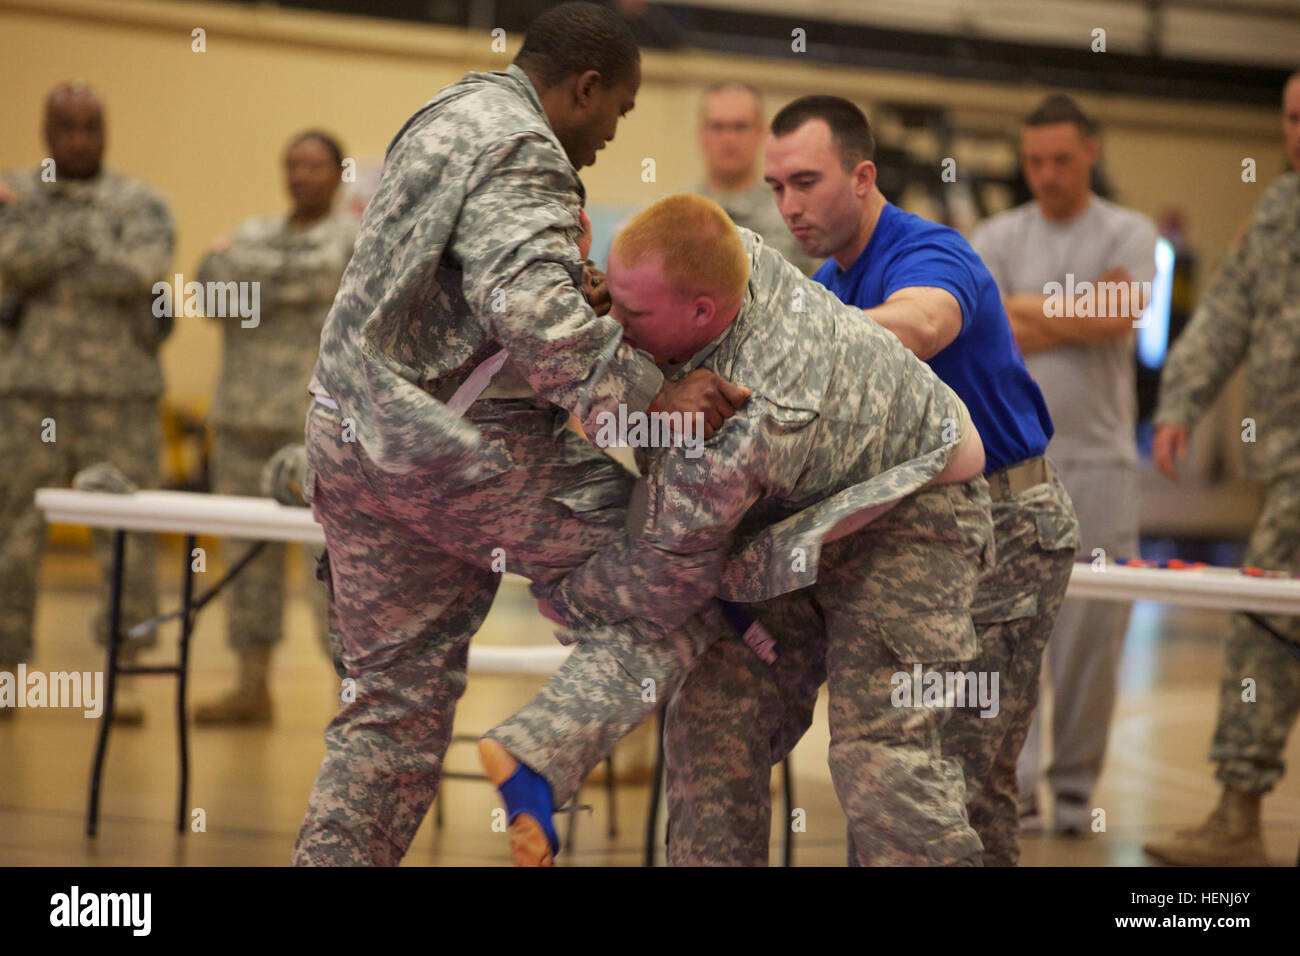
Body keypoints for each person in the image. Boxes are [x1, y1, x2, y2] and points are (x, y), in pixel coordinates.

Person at [291, 2, 745, 866]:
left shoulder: (451, 112)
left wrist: (580, 292)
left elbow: (467, 288)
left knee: (389, 710)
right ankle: (541, 749)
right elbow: (528, 313)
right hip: (456, 456)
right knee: (689, 561)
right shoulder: (527, 146)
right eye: (621, 107)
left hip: (355, 438)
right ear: (584, 87)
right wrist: (656, 395)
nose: (616, 130)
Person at [479, 192, 996, 867]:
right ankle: (541, 758)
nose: (616, 327)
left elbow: (667, 575)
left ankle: (538, 757)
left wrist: (570, 596)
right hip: (792, 519)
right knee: (711, 730)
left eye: (633, 314)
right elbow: (615, 323)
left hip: (911, 514)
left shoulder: (748, 418)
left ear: (701, 313)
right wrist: (599, 299)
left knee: (883, 759)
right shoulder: (732, 255)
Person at [658, 95, 1079, 866]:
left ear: (862, 177)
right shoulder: (827, 282)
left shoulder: (929, 249)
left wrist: (784, 344)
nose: (790, 204)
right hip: (900, 531)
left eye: (807, 182)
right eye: (777, 185)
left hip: (1008, 525)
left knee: (957, 770)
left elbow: (920, 326)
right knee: (868, 757)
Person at [970, 93, 1156, 833]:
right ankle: (1013, 790)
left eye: (1061, 159)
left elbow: (1121, 313)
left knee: (1090, 640)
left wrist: (1029, 309)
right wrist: (1069, 313)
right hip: (1014, 467)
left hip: (1102, 465)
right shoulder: (995, 232)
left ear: (1092, 152)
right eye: (1034, 161)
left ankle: (1076, 794)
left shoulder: (1130, 230)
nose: (1046, 174)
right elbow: (991, 332)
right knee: (1010, 635)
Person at [1142, 72, 1300, 867]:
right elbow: (1226, 313)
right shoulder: (1277, 214)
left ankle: (1239, 818)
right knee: (1264, 627)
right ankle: (1238, 819)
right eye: (1293, 120)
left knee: (1264, 627)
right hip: (1293, 472)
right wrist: (1180, 402)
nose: (1299, 136)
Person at [0, 83, 174, 724]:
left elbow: (144, 270)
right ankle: (5, 671)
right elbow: (8, 260)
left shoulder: (142, 200)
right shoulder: (14, 193)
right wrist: (85, 247)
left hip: (118, 395)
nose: (78, 140)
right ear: (46, 133)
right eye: (66, 128)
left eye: (90, 127)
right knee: (11, 532)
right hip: (28, 394)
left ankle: (123, 675)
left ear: (106, 131)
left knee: (123, 535)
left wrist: (52, 256)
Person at [192, 131, 358, 724]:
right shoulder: (258, 228)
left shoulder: (354, 239)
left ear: (339, 174)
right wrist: (280, 276)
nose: (301, 175)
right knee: (244, 556)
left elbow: (327, 280)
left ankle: (351, 690)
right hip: (241, 421)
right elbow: (209, 289)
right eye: (292, 164)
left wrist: (251, 276)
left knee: (333, 562)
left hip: (319, 425)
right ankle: (251, 684)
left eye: (314, 165)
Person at [694, 82, 817, 276]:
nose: (729, 138)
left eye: (740, 127)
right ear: (701, 133)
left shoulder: (794, 214)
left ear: (761, 132)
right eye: (717, 127)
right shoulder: (676, 213)